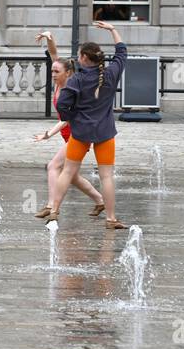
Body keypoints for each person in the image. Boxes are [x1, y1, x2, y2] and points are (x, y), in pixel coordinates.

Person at [38, 21, 128, 228]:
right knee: (106, 176)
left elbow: (62, 103)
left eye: (79, 55)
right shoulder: (112, 73)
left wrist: (71, 116)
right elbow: (122, 52)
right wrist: (113, 30)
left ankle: (54, 211)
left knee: (68, 171)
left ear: (84, 58)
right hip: (105, 131)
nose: (78, 58)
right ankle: (111, 218)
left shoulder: (77, 79)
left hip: (80, 132)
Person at [31, 30, 105, 218]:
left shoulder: (72, 84)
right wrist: (49, 38)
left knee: (53, 166)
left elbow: (66, 119)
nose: (53, 74)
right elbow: (55, 56)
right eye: (52, 71)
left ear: (68, 73)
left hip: (78, 133)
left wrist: (47, 134)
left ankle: (51, 206)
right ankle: (100, 201)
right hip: (69, 135)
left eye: (57, 72)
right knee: (71, 176)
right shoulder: (59, 81)